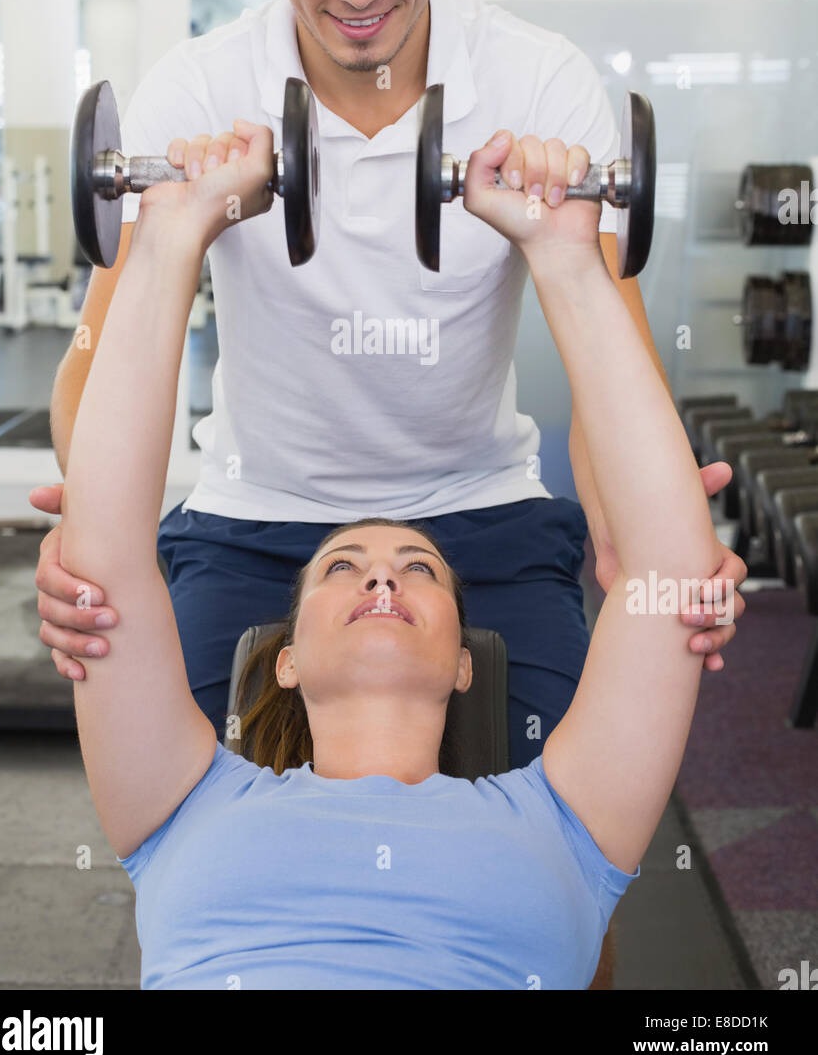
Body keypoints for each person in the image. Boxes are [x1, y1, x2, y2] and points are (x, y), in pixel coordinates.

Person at [31, 0, 745, 985]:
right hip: (256, 511)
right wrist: (93, 531)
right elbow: (100, 351)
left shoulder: (538, 83)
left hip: (478, 507)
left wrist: (639, 550)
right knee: (198, 830)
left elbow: (606, 352)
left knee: (577, 859)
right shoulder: (195, 92)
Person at [60, 99, 730, 991]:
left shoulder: (567, 817)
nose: (383, 570)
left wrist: (566, 258)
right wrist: (175, 234)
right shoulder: (183, 799)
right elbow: (105, 553)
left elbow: (670, 577)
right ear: (285, 657)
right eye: (344, 566)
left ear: (465, 658)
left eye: (420, 567)